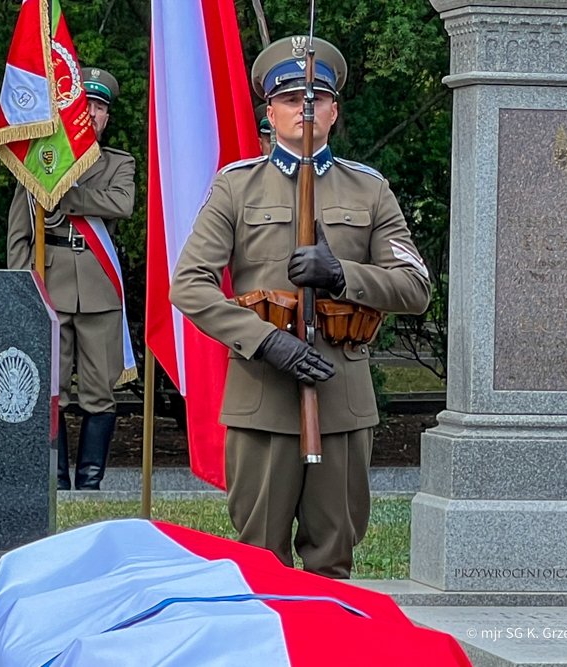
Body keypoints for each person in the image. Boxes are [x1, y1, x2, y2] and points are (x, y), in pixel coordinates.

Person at [170, 36, 431, 578]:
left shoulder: (369, 192)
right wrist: (267, 341)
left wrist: (342, 275)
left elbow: (415, 287)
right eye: (291, 100)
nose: (304, 110)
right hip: (263, 394)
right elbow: (189, 285)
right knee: (259, 559)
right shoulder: (236, 188)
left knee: (333, 558)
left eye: (316, 99)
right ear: (270, 111)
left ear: (334, 111)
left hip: (340, 396)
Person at [7, 67, 136, 491]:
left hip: (98, 286)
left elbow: (121, 204)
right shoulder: (41, 162)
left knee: (101, 391)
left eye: (99, 108)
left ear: (106, 118)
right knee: (52, 388)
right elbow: (20, 234)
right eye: (85, 107)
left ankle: (91, 481)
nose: (92, 114)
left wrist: (64, 195)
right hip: (51, 283)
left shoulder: (118, 163)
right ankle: (57, 480)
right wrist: (23, 286)